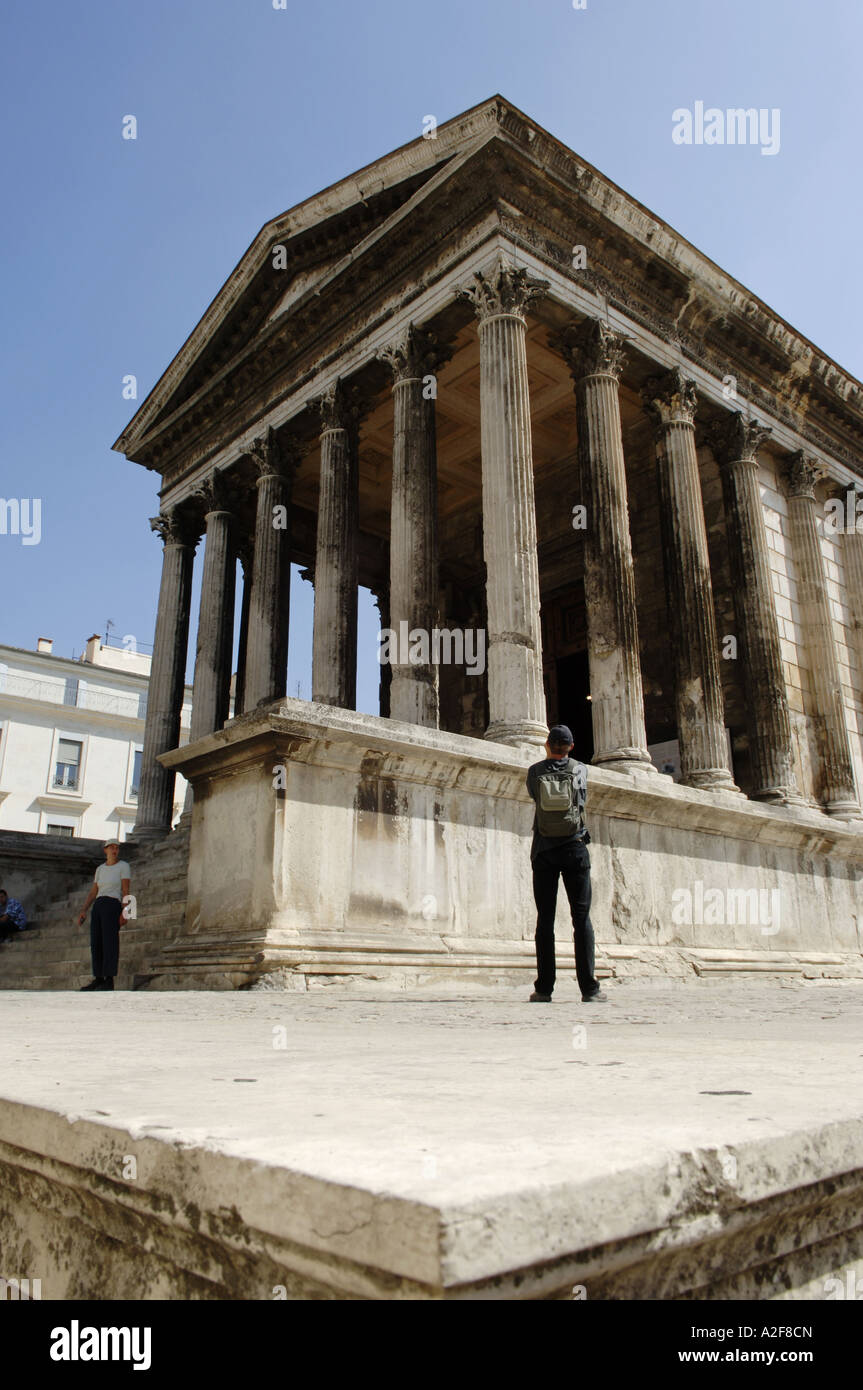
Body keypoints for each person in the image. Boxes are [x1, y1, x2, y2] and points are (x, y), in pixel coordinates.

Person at [525, 724, 607, 1004]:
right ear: (571, 746)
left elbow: (536, 798)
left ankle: (544, 988)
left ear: (548, 745)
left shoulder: (535, 771)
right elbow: (581, 800)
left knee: (545, 920)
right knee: (581, 919)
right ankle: (589, 988)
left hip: (544, 850)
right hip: (574, 847)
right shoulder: (580, 769)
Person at [76, 839, 131, 991]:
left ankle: (109, 978)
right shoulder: (100, 869)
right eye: (111, 848)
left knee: (110, 942)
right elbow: (94, 891)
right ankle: (98, 977)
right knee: (96, 942)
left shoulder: (124, 866)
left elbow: (126, 890)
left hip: (113, 904)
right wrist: (84, 910)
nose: (114, 850)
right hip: (99, 904)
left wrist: (127, 912)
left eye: (117, 848)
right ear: (105, 850)